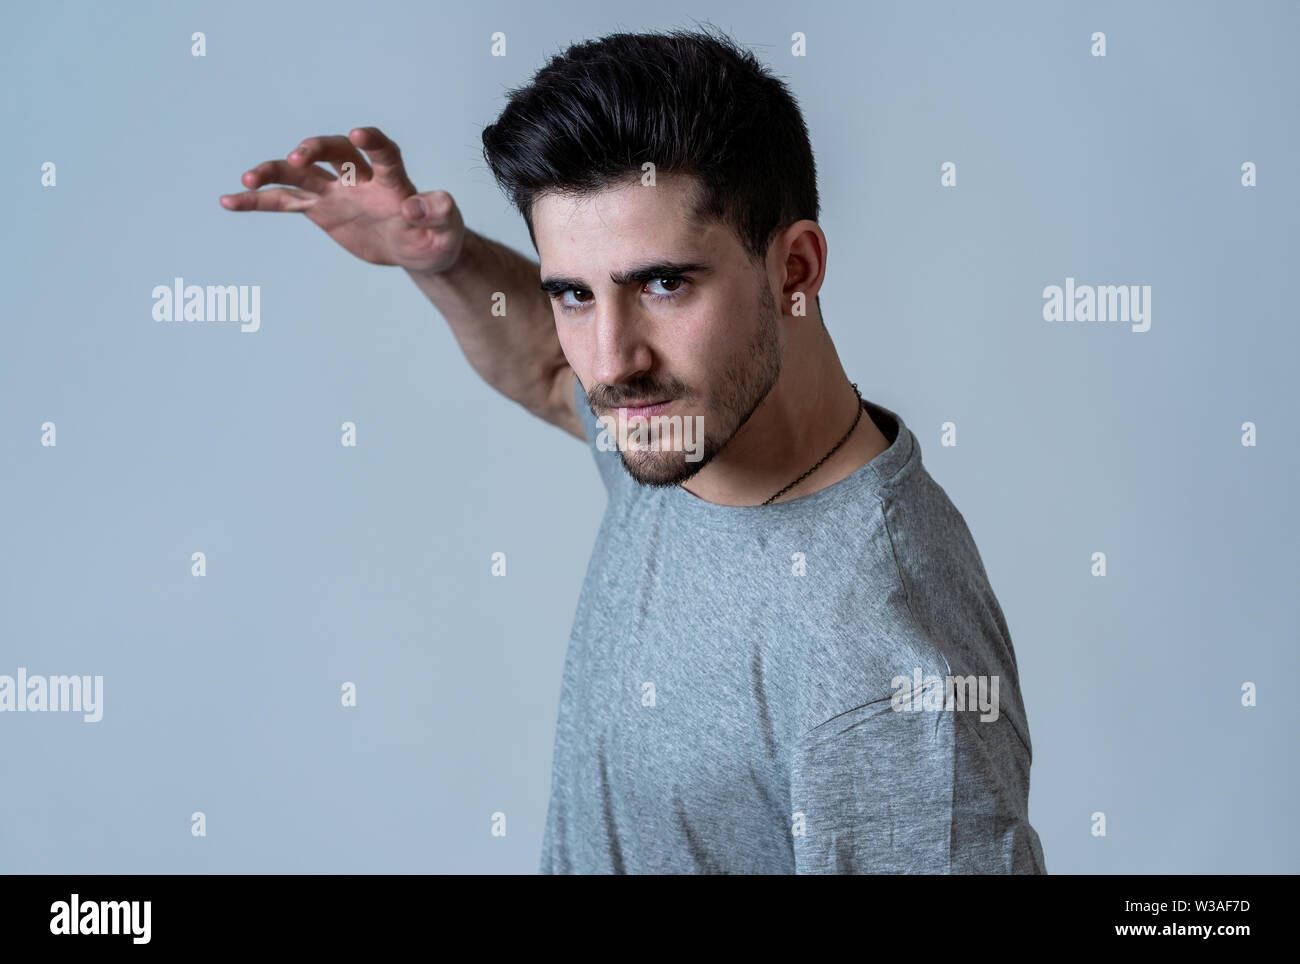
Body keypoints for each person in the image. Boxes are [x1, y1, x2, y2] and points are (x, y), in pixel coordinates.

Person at [220, 26, 1047, 875]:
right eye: (574, 294)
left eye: (663, 284)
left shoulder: (888, 675)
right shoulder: (678, 423)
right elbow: (551, 370)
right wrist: (443, 261)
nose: (611, 364)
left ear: (794, 270)